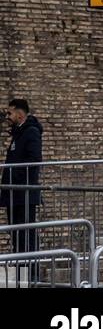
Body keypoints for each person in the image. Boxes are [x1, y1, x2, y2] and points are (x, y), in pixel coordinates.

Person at [0, 98, 43, 280]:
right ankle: (22, 278)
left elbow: (33, 162)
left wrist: (16, 180)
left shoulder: (30, 132)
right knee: (18, 239)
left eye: (9, 113)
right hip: (14, 195)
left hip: (23, 194)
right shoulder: (17, 133)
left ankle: (31, 279)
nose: (7, 117)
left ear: (20, 114)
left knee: (26, 239)